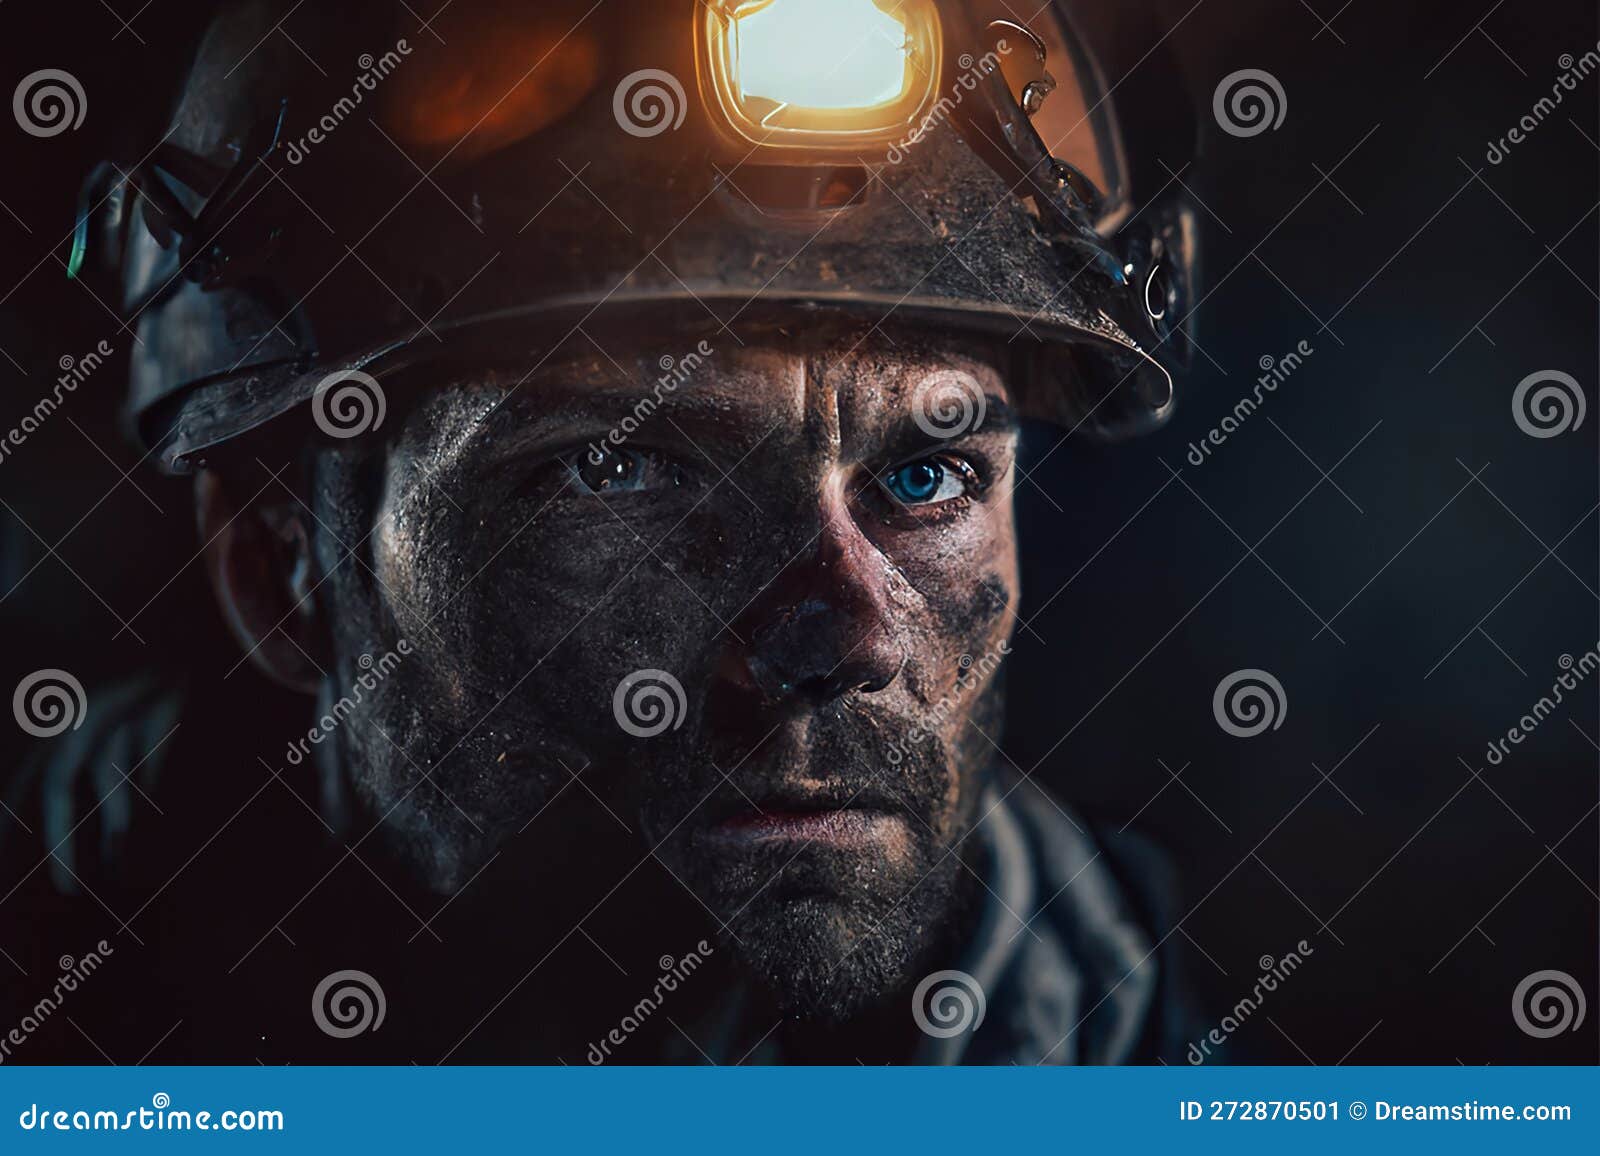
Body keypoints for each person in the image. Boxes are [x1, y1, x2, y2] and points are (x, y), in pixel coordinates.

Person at [6, 0, 1203, 1063]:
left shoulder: (1106, 1035)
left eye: (930, 476)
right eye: (617, 467)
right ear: (280, 573)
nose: (846, 633)